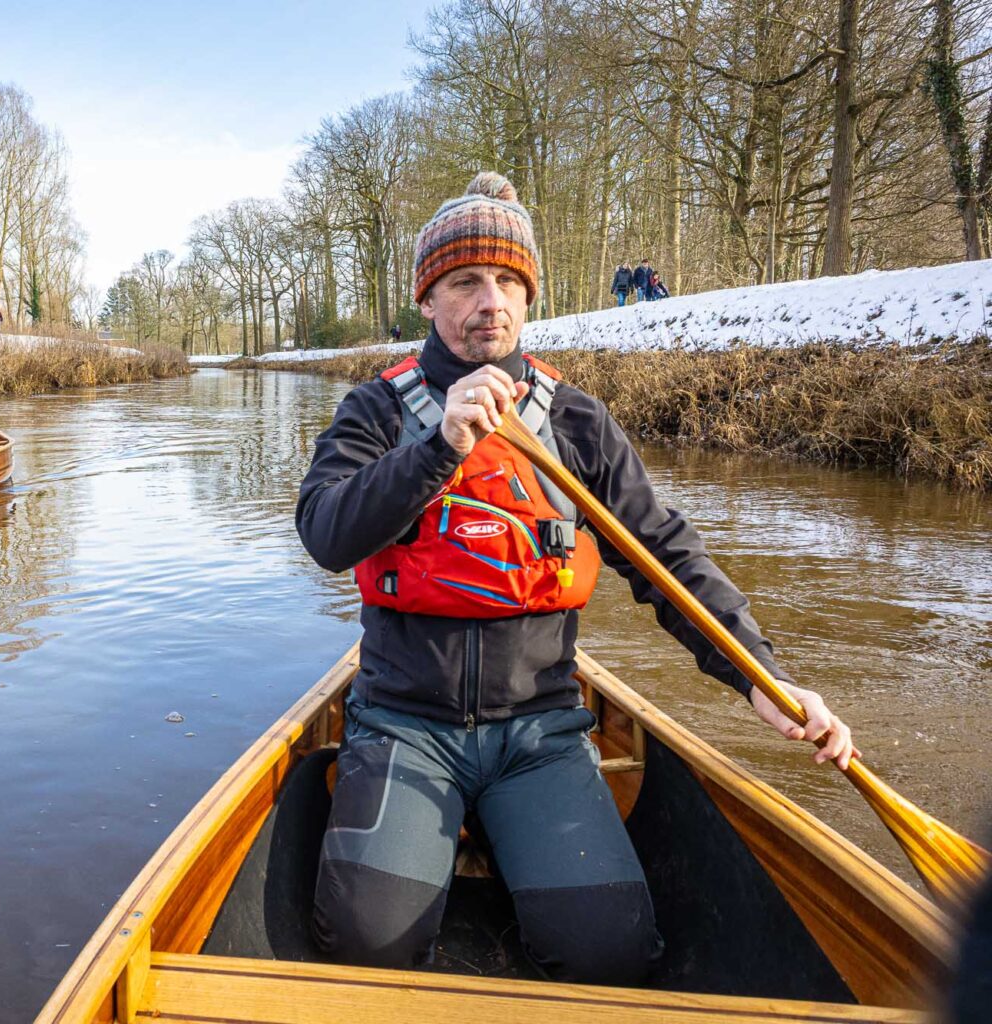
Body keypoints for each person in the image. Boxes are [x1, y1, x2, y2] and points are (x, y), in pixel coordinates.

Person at [295, 171, 853, 985]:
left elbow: (664, 556)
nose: (490, 302)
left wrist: (758, 675)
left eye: (508, 282)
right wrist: (439, 448)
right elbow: (325, 532)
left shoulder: (577, 421)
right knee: (366, 947)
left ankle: (515, 853)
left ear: (529, 296)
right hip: (404, 724)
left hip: (540, 732)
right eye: (465, 281)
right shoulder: (376, 412)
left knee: (610, 955)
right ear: (428, 299)